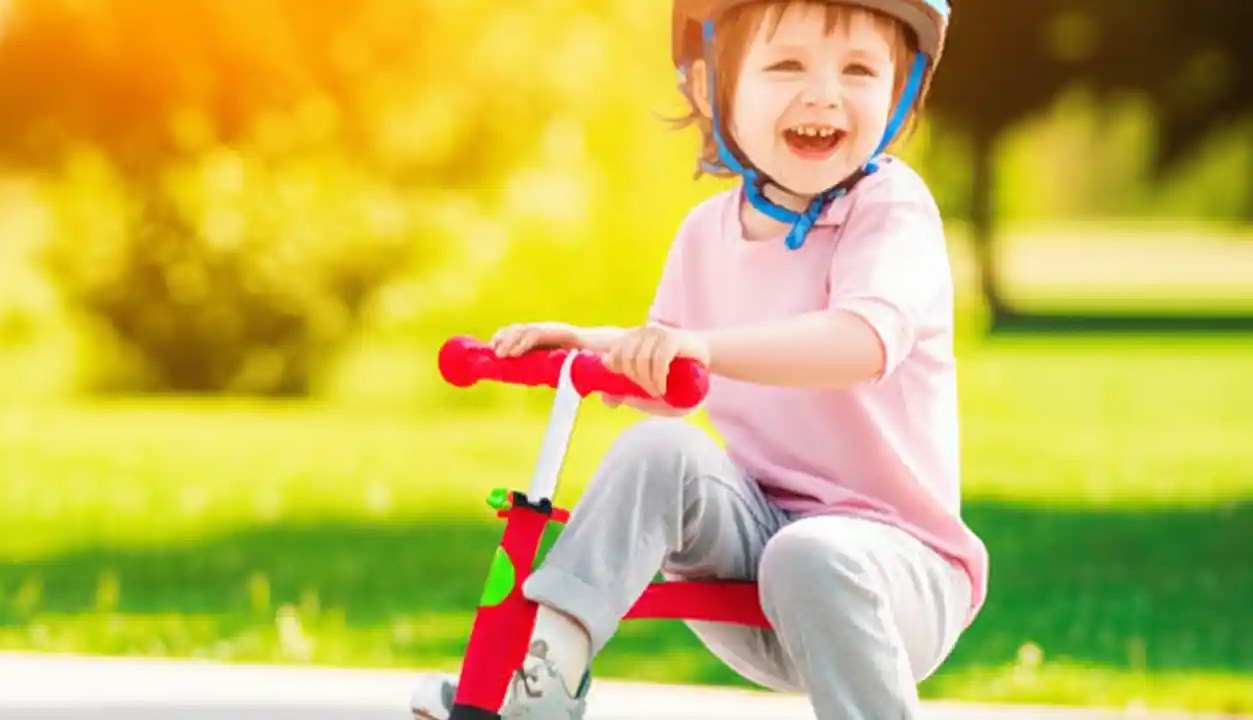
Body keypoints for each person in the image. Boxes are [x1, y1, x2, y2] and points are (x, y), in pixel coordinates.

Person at [413, 0, 988, 717]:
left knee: (809, 554)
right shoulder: (706, 232)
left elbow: (861, 342)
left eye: (860, 70)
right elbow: (671, 377)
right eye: (786, 65)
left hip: (895, 574)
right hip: (755, 559)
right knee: (658, 449)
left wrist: (705, 347)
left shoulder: (889, 208)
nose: (823, 93)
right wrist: (592, 346)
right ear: (712, 85)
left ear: (901, 94)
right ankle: (540, 678)